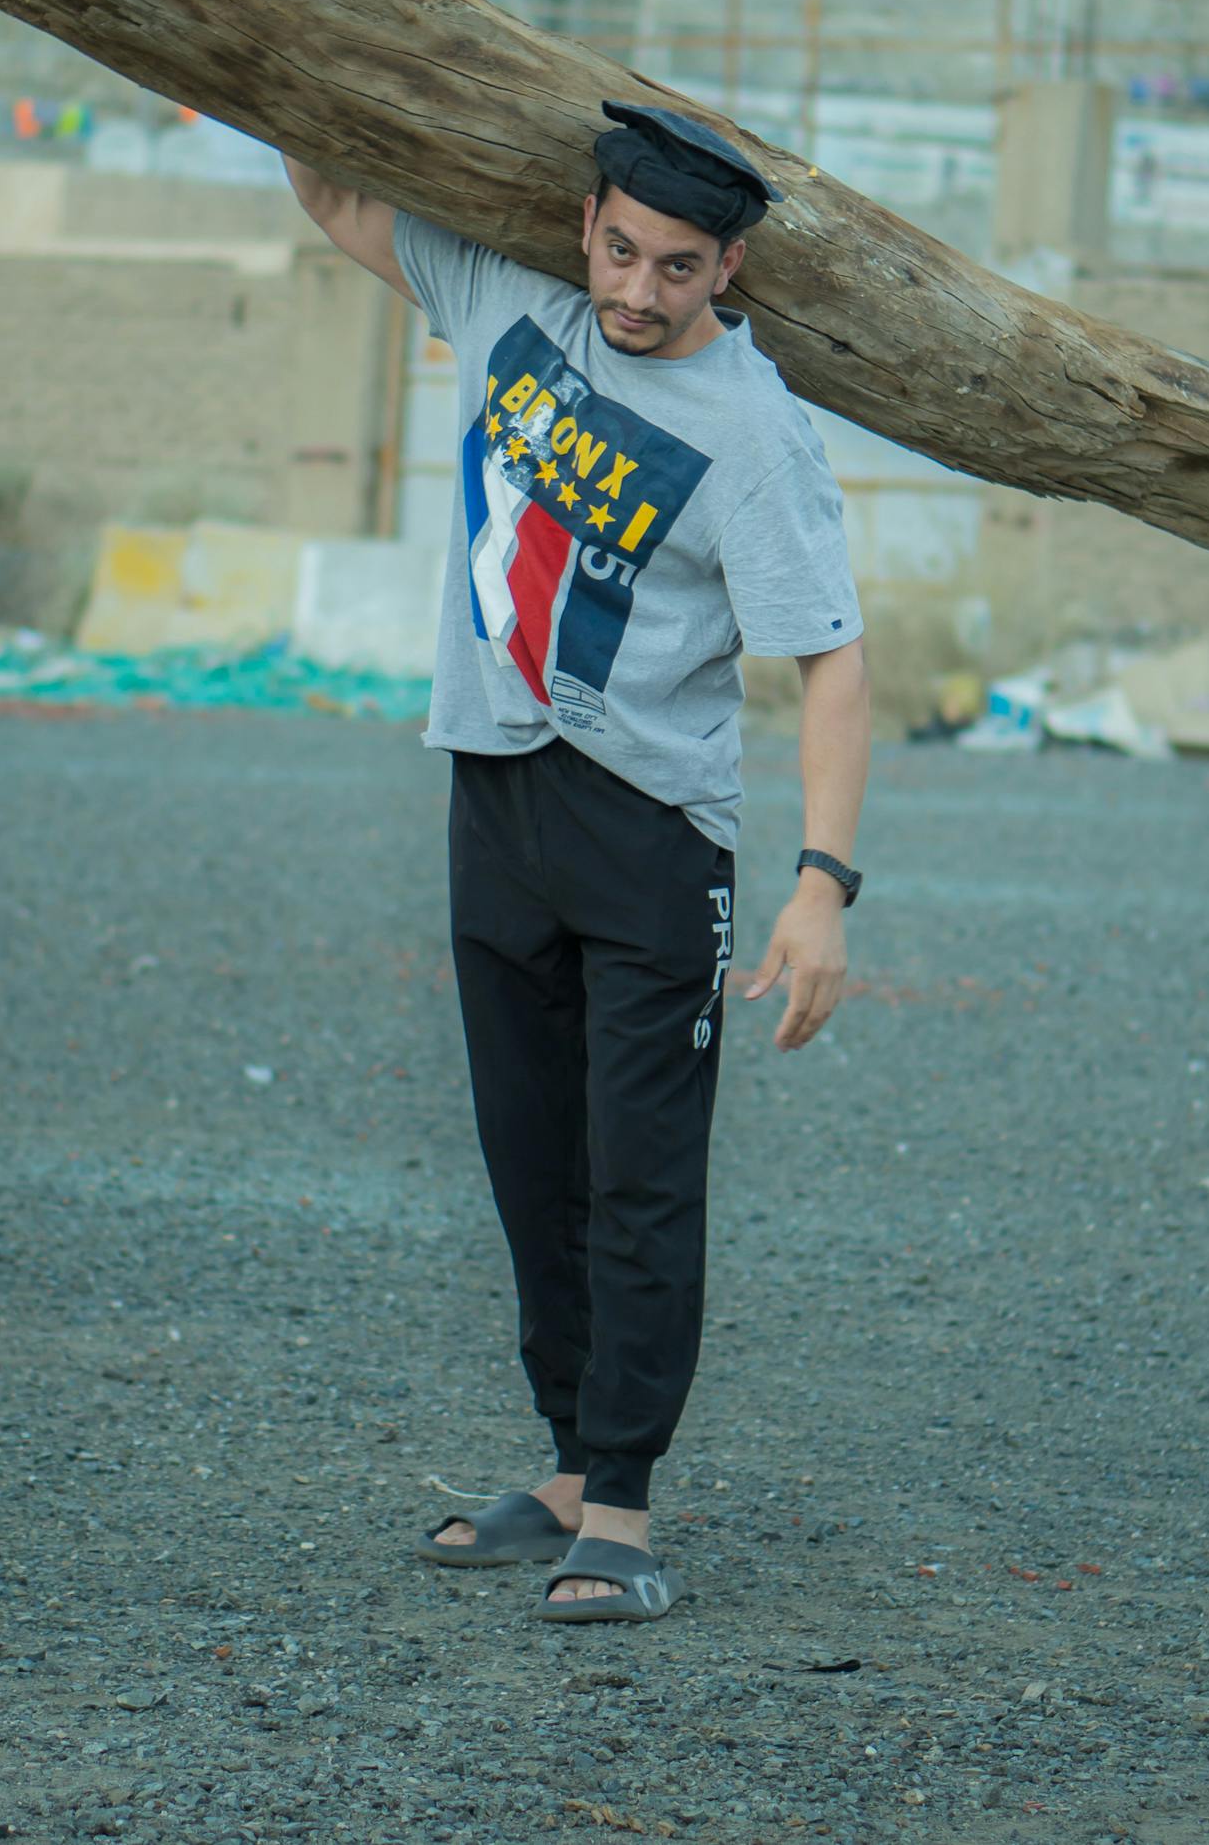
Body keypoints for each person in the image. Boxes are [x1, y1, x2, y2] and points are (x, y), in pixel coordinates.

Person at [283, 100, 871, 1624]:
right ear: (584, 229)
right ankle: (563, 1465)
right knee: (528, 1160)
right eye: (621, 252)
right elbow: (340, 202)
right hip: (494, 797)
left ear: (728, 269)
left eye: (678, 267)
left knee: (640, 1180)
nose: (638, 292)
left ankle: (621, 1507)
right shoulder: (511, 305)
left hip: (651, 835)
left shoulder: (752, 431)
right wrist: (262, 61)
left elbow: (829, 660)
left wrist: (822, 885)